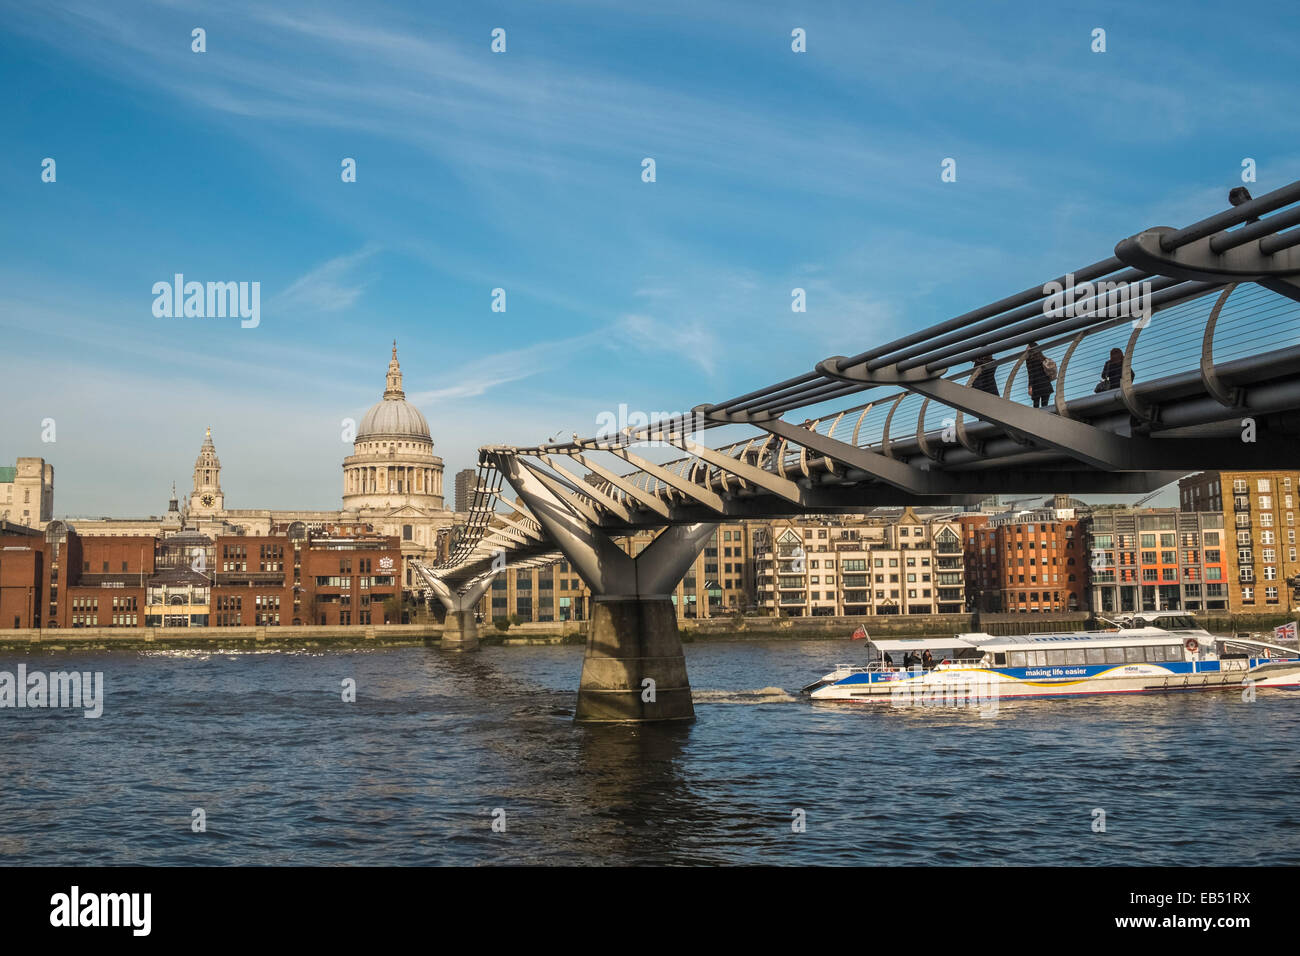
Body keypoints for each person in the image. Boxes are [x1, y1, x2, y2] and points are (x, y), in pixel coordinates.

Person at [1025, 342, 1053, 408]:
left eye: (1028, 347)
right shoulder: (1043, 358)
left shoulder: (1029, 359)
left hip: (1036, 386)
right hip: (1046, 385)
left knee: (1036, 408)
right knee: (1045, 407)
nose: (1026, 349)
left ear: (1031, 348)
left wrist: (1030, 387)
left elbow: (1031, 374)